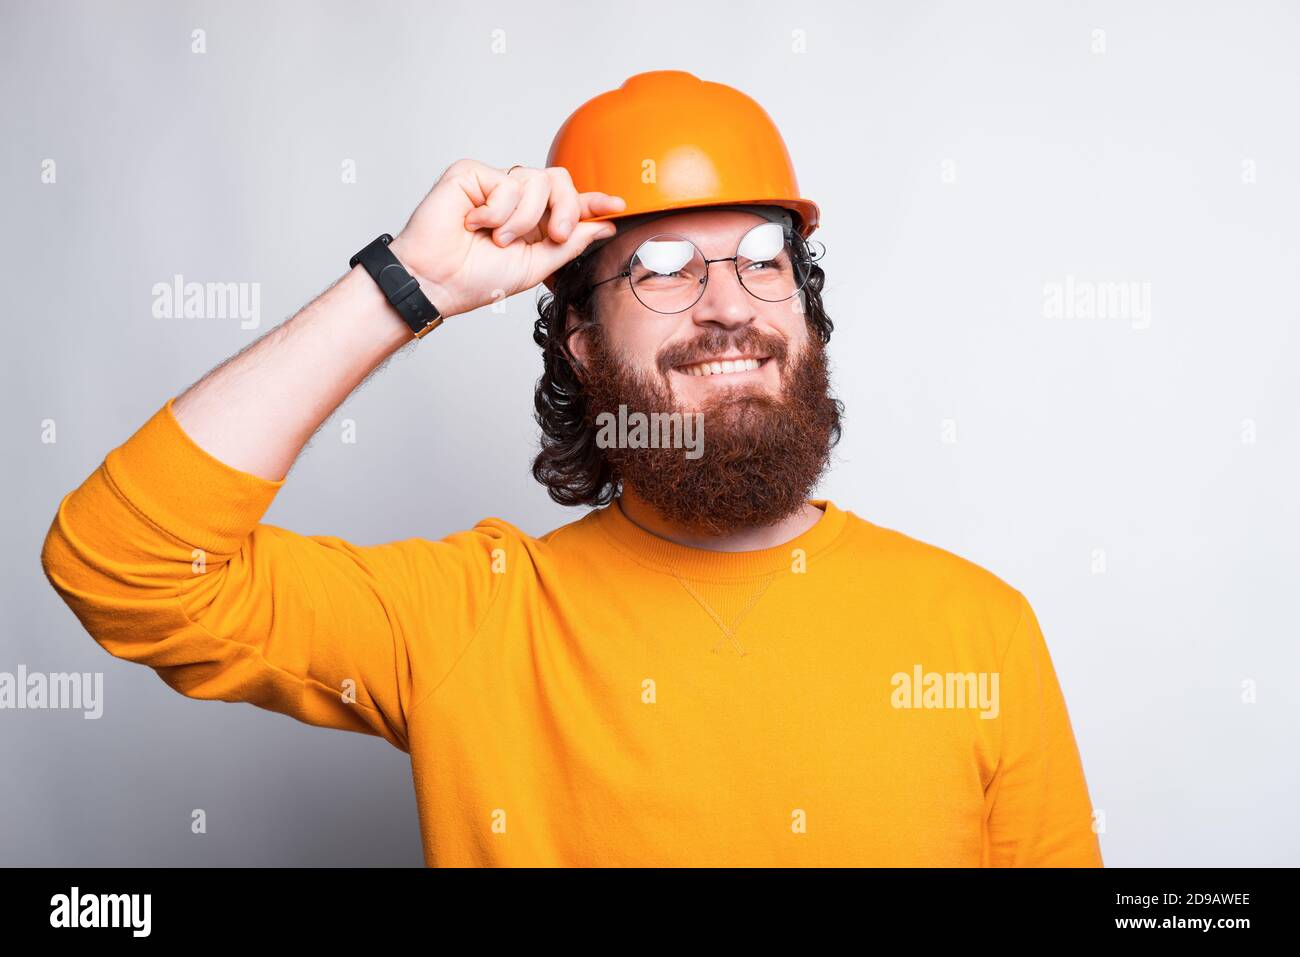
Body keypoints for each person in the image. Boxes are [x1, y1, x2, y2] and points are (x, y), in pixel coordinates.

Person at [40, 70, 1103, 866]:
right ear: (583, 344)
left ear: (806, 318)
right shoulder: (472, 619)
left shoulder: (977, 628)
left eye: (762, 262)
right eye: (659, 270)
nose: (728, 304)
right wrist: (408, 285)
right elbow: (123, 568)